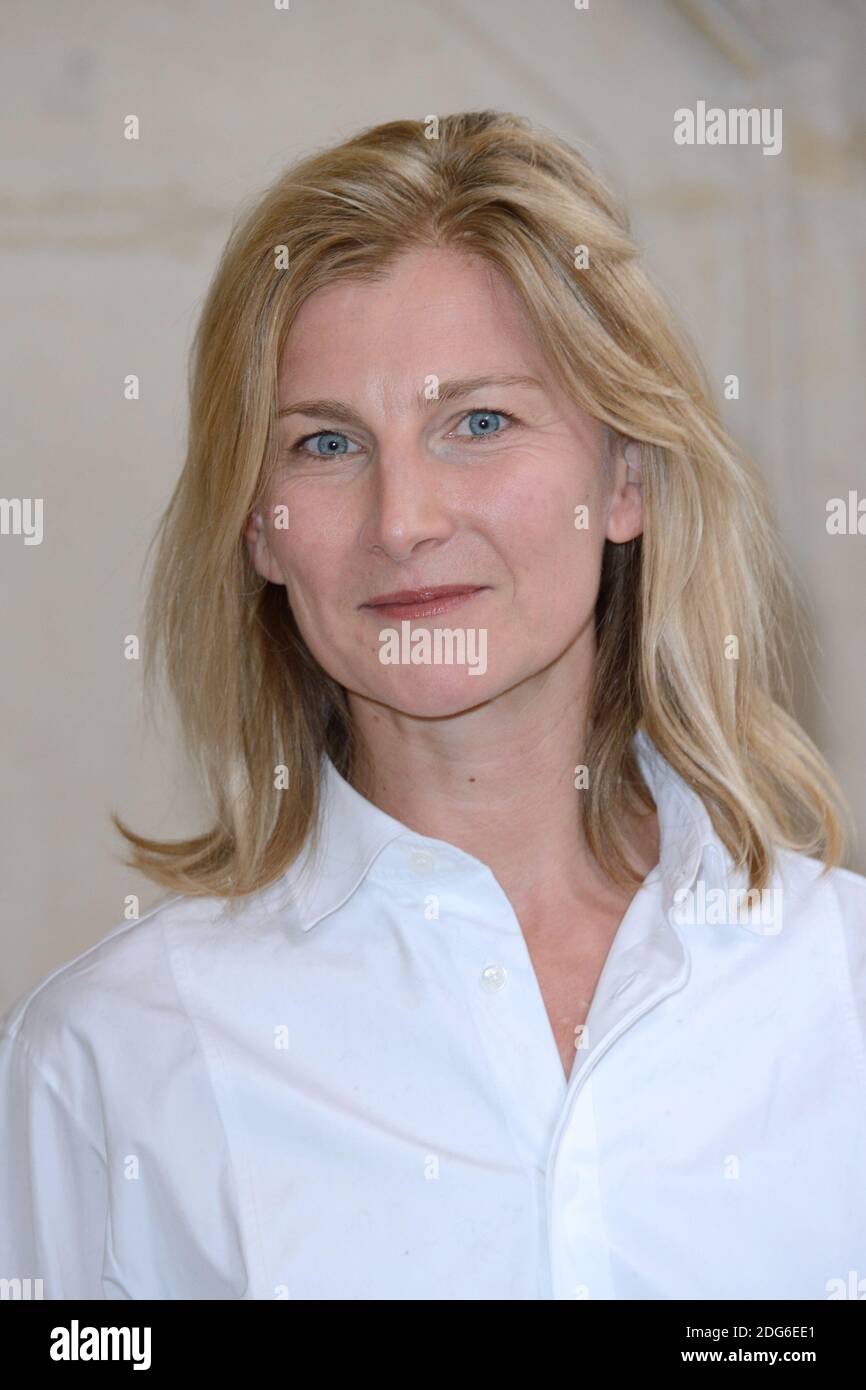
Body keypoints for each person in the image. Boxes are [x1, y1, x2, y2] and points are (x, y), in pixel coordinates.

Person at [2, 110, 864, 1302]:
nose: (401, 518)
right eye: (324, 443)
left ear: (625, 476)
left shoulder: (840, 989)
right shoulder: (112, 1056)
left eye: (478, 422)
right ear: (257, 526)